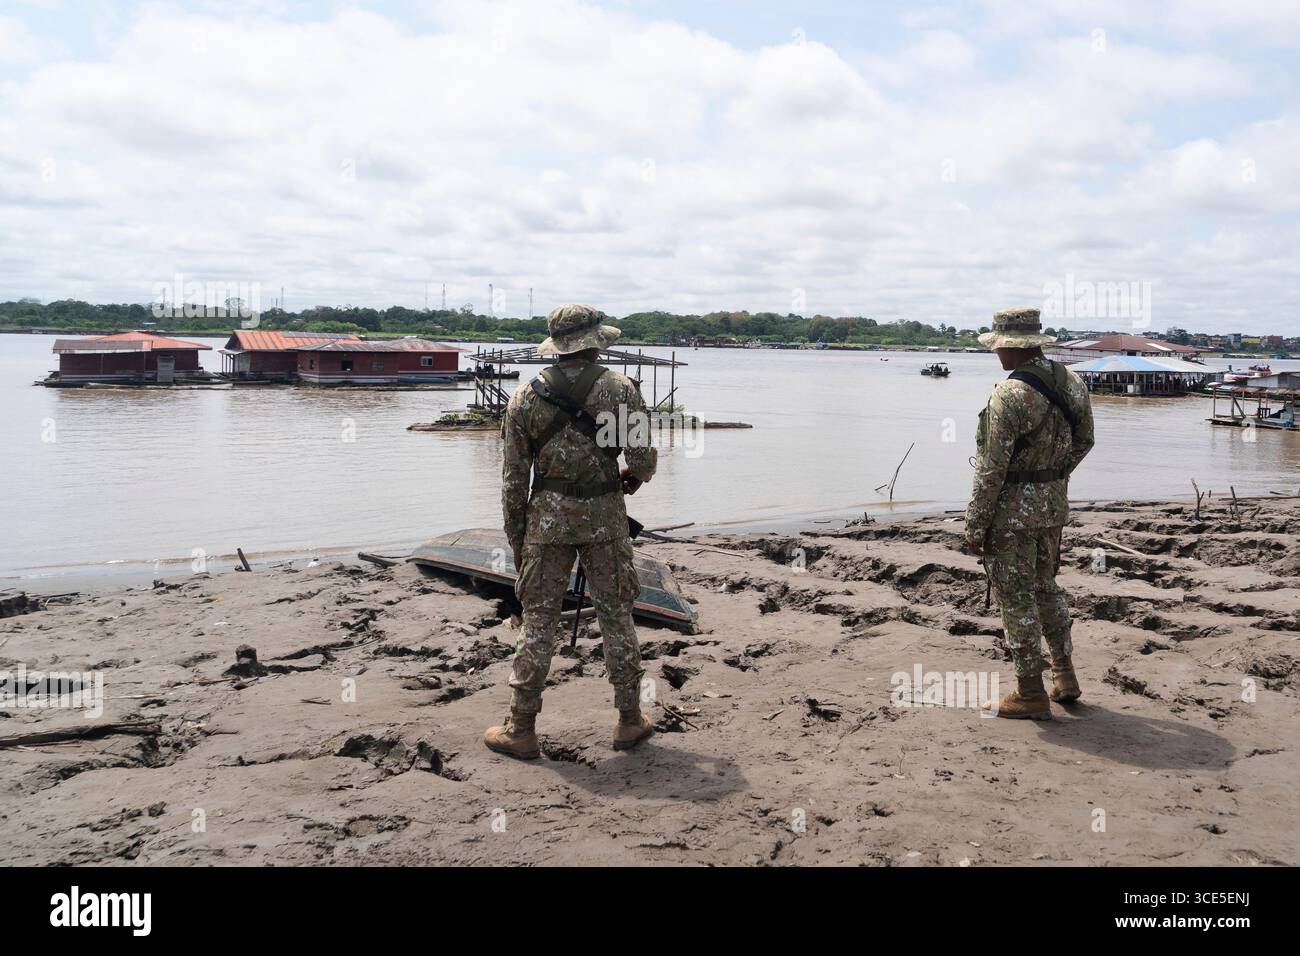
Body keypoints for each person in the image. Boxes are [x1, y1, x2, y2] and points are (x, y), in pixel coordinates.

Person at [485, 304, 658, 758]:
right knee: (617, 615)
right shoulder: (622, 391)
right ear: (596, 341)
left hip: (545, 524)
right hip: (605, 519)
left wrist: (516, 538)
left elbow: (511, 479)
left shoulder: (523, 398)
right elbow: (642, 460)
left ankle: (521, 728)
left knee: (538, 621)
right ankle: (628, 721)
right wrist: (633, 479)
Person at [966, 307, 1095, 720]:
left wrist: (975, 523)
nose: (997, 355)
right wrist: (1052, 478)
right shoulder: (1071, 380)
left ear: (1012, 348)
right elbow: (1085, 440)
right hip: (1053, 506)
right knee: (1047, 588)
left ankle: (1029, 692)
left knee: (1016, 597)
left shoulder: (1009, 393)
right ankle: (1065, 676)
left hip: (1011, 514)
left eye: (999, 347)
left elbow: (992, 467)